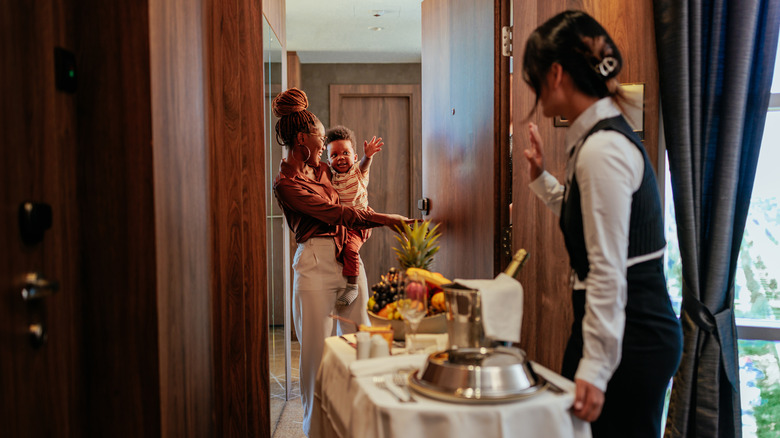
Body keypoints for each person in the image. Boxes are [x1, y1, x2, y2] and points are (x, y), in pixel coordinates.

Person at [521, 10, 682, 437]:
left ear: (556, 74)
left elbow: (607, 270)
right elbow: (592, 223)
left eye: (533, 79)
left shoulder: (601, 151)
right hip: (626, 331)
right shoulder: (596, 143)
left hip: (632, 337)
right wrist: (541, 179)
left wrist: (595, 365)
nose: (533, 92)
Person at [271, 87, 409, 436]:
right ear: (301, 140)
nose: (322, 151)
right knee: (316, 354)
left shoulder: (320, 169)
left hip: (348, 259)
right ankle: (314, 429)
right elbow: (334, 212)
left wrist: (365, 170)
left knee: (361, 341)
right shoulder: (286, 184)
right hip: (314, 263)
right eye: (318, 143)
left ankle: (360, 424)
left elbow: (352, 188)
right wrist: (385, 219)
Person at [325, 125, 383, 307]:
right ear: (328, 161)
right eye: (334, 155)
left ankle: (353, 286)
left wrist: (368, 156)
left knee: (350, 249)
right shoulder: (331, 177)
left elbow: (365, 164)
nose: (340, 158)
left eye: (345, 153)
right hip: (344, 224)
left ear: (354, 157)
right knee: (338, 249)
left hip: (361, 222)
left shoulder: (357, 172)